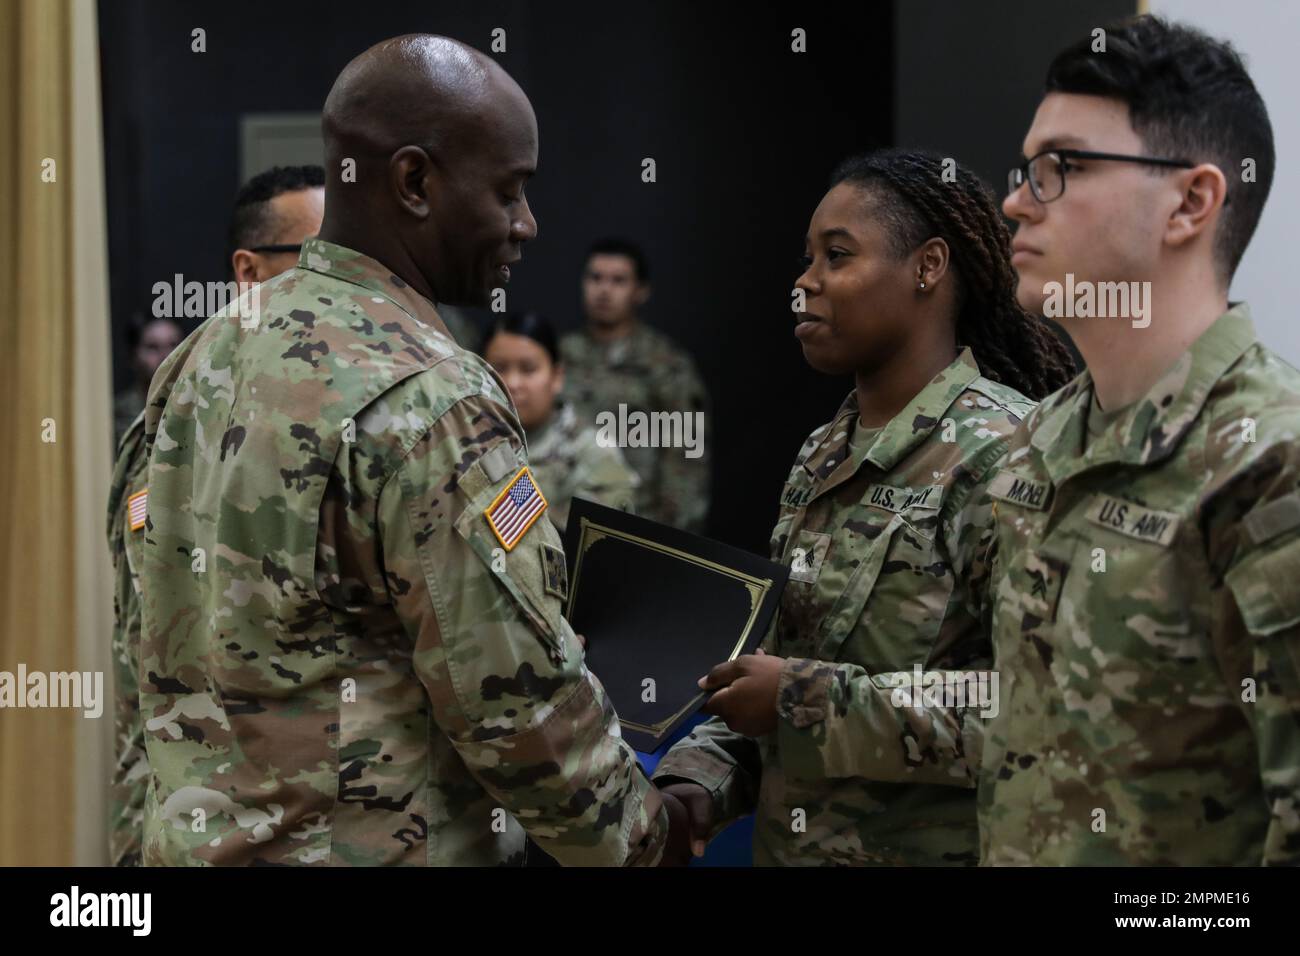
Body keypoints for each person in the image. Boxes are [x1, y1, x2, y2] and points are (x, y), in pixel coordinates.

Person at [134, 34, 681, 866]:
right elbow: (515, 703)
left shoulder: (203, 351)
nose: (527, 225)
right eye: (510, 191)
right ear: (415, 181)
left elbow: (145, 618)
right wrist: (649, 833)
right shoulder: (434, 397)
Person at [651, 149, 1076, 866]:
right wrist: (698, 783)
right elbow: (779, 668)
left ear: (928, 266)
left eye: (836, 256)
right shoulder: (823, 451)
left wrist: (801, 700)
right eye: (807, 258)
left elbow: (1045, 710)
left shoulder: (1009, 451)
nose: (804, 283)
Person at [983, 15, 1300, 864]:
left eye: (1065, 168)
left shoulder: (1271, 462)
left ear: (1192, 202)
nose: (1017, 199)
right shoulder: (1037, 440)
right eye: (1028, 169)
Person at [106, 165, 329, 866]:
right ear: (249, 269)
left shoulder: (347, 408)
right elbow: (141, 645)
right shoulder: (180, 411)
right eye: (320, 260)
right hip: (208, 822)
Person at [560, 238, 711, 533]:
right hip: (563, 519)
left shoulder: (666, 366)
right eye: (595, 278)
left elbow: (687, 462)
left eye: (618, 281)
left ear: (640, 291)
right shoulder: (559, 356)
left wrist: (672, 537)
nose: (604, 290)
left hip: (637, 525)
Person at [482, 311, 638, 531]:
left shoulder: (593, 451)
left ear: (557, 376)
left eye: (528, 369)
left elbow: (596, 543)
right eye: (499, 369)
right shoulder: (461, 438)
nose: (512, 383)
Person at [113, 316, 183, 444]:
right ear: (133, 357)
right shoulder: (117, 416)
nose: (167, 356)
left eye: (174, 345)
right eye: (153, 347)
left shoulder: (197, 405)